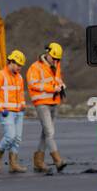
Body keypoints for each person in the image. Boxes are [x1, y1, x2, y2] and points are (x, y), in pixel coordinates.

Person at [27, 42, 68, 173]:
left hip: (54, 102)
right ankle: (58, 161)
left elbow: (58, 79)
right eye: (54, 58)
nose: (55, 61)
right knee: (50, 132)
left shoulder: (56, 65)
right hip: (41, 103)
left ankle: (38, 162)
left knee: (45, 133)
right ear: (47, 53)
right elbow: (33, 85)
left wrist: (61, 85)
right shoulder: (35, 67)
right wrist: (52, 88)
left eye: (58, 59)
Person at [0, 50, 27, 173]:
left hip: (18, 112)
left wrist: (23, 104)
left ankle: (13, 164)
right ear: (11, 62)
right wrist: (0, 108)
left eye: (21, 66)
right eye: (18, 65)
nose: (19, 68)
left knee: (17, 139)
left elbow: (21, 93)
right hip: (7, 112)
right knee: (10, 136)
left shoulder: (20, 77)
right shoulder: (0, 75)